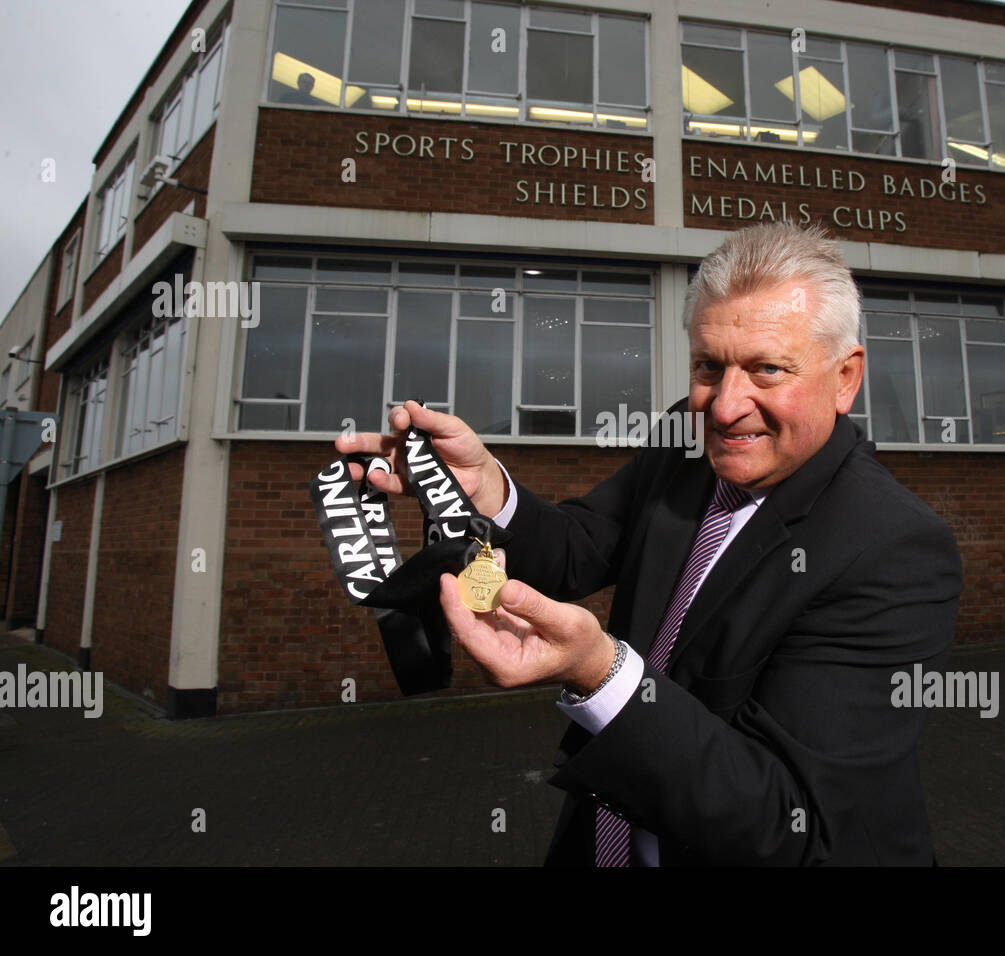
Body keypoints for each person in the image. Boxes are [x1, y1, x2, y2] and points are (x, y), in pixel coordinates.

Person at [339, 222, 962, 865]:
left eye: (767, 369)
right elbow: (581, 546)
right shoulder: (685, 438)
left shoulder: (896, 551)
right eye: (708, 367)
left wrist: (598, 674)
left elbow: (787, 825)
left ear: (845, 377)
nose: (724, 407)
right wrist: (483, 486)